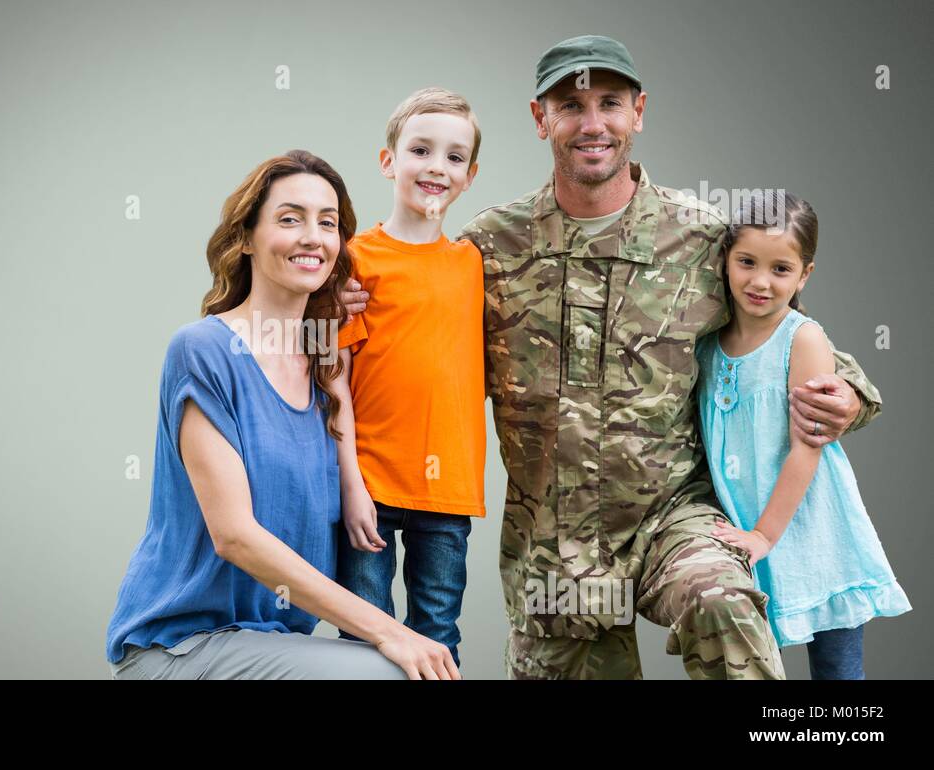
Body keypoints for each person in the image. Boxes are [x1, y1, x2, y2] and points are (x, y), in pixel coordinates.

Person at [343, 35, 883, 679]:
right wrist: (339, 296)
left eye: (610, 102)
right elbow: (413, 323)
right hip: (554, 549)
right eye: (570, 106)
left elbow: (784, 324)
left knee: (724, 602)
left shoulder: (702, 236)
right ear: (541, 119)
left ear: (639, 112)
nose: (592, 123)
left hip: (672, 523)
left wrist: (847, 390)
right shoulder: (490, 247)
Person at [104, 150, 459, 679]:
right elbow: (235, 536)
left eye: (328, 223)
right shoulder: (205, 351)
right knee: (390, 674)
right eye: (290, 219)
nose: (312, 237)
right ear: (245, 237)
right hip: (182, 647)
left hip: (276, 647)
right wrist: (391, 631)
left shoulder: (325, 372)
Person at [697, 191, 910, 680]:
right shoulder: (709, 339)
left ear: (804, 275)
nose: (759, 282)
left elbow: (807, 449)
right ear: (725, 259)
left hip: (813, 528)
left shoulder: (803, 338)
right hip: (747, 518)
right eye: (746, 262)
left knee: (837, 669)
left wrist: (764, 534)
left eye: (780, 270)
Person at [331, 87, 486, 668]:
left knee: (438, 639)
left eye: (453, 157)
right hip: (368, 479)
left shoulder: (473, 263)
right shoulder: (353, 262)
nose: (435, 167)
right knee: (365, 642)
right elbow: (334, 381)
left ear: (469, 176)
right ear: (388, 160)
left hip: (447, 491)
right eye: (421, 150)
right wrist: (350, 486)